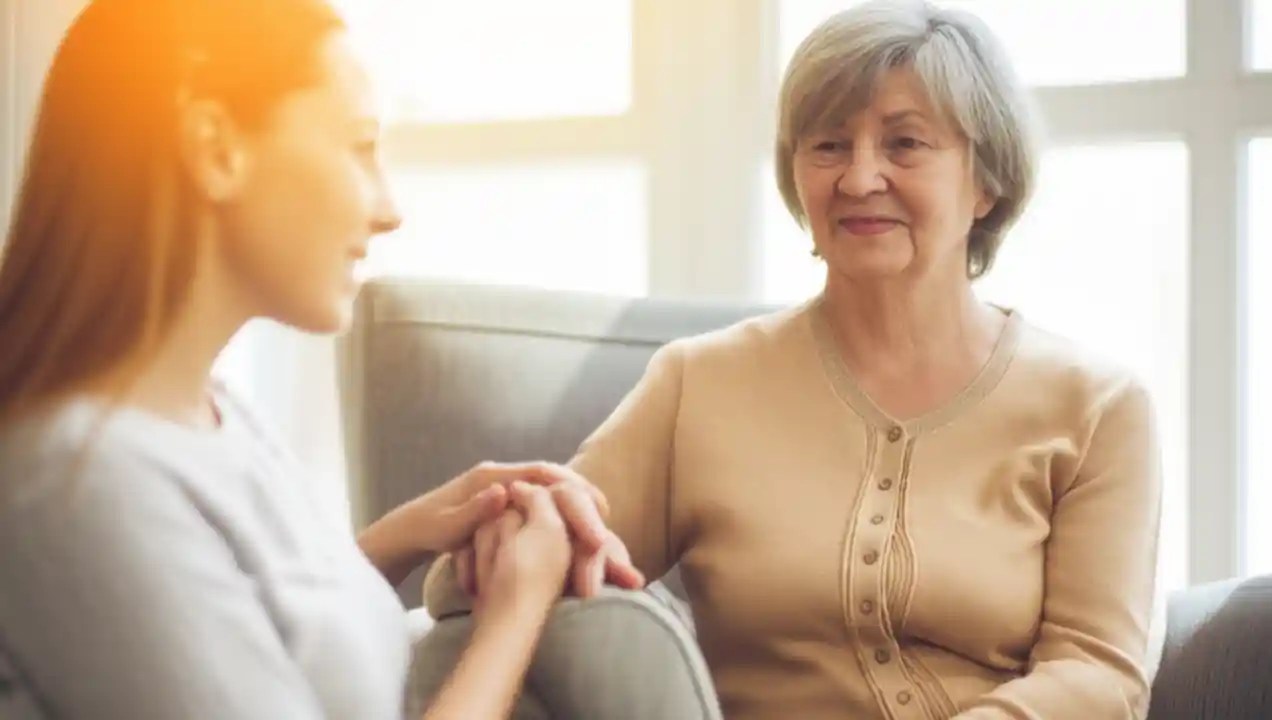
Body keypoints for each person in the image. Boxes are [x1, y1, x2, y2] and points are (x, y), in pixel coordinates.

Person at [429, 1, 1163, 718]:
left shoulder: (1097, 405)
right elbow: (491, 577)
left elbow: (1099, 672)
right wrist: (497, 534)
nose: (858, 178)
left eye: (905, 144)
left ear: (986, 180)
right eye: (828, 144)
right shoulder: (699, 385)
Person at [0, 0, 642, 718]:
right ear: (215, 148)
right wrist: (516, 611)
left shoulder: (211, 413)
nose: (387, 208)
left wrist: (410, 531)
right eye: (359, 147)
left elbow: (245, 632)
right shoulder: (78, 480)